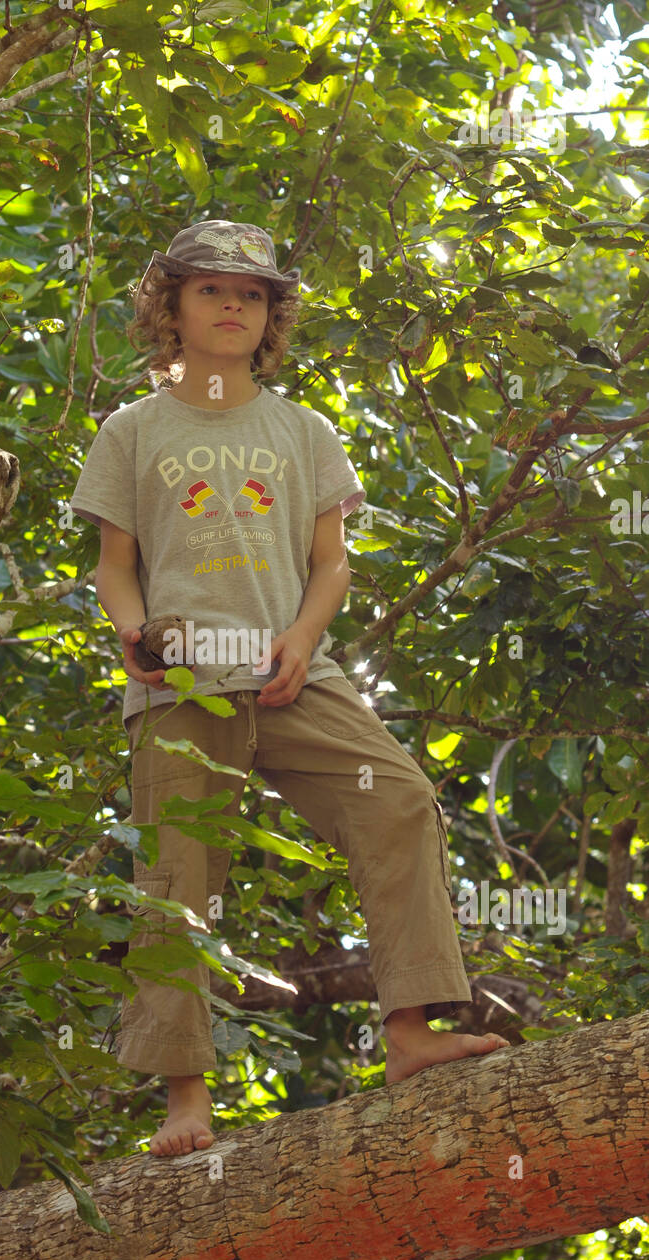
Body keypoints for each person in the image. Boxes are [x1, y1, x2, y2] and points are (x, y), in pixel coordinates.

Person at [69, 218, 508, 1158]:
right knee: (178, 880)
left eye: (251, 294)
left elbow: (331, 562)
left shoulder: (300, 428)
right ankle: (185, 1098)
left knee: (397, 800)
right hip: (181, 677)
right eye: (211, 290)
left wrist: (305, 641)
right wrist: (128, 635)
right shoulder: (133, 429)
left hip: (288, 671)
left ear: (270, 316)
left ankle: (409, 1034)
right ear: (172, 306)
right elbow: (115, 565)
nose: (232, 305)